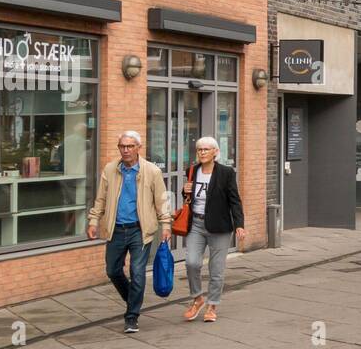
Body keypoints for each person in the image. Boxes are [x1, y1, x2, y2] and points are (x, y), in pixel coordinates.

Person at [88, 131, 171, 333]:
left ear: (138, 148)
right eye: (122, 146)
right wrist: (93, 220)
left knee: (137, 272)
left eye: (130, 146)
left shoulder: (151, 171)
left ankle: (131, 316)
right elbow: (101, 199)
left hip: (139, 230)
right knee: (112, 271)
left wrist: (166, 225)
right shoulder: (110, 170)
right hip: (115, 229)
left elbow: (162, 200)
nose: (125, 150)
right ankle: (133, 299)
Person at [180, 137, 246, 323]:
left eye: (206, 149)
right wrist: (184, 190)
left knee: (216, 269)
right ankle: (198, 298)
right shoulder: (192, 171)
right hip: (196, 224)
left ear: (215, 152)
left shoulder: (226, 173)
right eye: (199, 149)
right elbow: (188, 197)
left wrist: (239, 224)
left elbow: (234, 199)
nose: (202, 152)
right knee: (192, 263)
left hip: (219, 227)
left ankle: (212, 305)